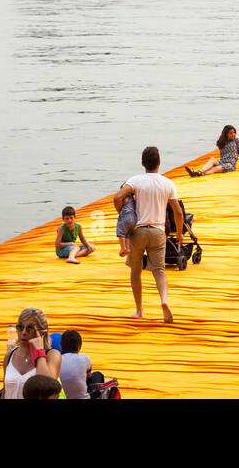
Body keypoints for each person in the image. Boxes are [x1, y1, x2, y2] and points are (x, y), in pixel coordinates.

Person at [113, 145, 186, 322]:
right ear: (159, 163)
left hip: (138, 231)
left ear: (142, 163)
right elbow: (177, 211)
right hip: (158, 231)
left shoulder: (136, 181)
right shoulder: (168, 183)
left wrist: (121, 215)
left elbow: (117, 197)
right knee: (159, 270)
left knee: (136, 270)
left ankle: (139, 310)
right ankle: (164, 301)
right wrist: (179, 232)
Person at [3, 307, 62, 399]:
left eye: (29, 329)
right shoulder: (10, 355)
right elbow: (5, 393)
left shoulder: (52, 355)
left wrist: (39, 352)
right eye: (20, 327)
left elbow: (46, 389)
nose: (23, 332)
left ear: (42, 333)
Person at [57, 329, 95, 399]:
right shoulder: (84, 358)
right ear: (79, 347)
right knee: (97, 375)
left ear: (60, 346)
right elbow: (89, 377)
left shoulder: (54, 361)